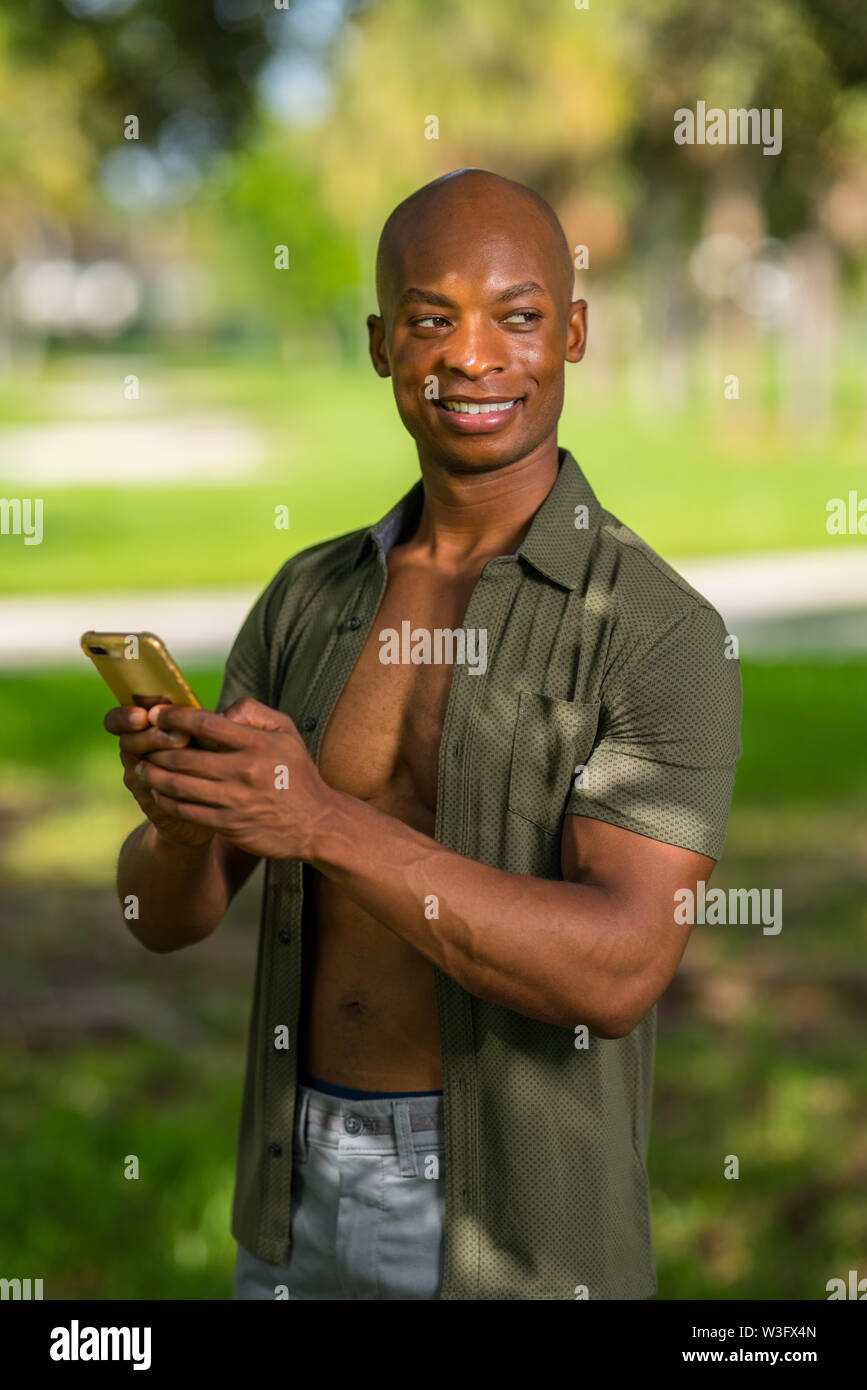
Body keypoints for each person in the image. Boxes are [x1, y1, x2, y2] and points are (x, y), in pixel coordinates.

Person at [106, 168, 742, 1301]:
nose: (473, 356)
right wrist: (178, 821)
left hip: (509, 1227)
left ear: (576, 333)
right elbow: (161, 918)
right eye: (430, 319)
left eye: (519, 315)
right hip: (291, 1194)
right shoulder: (309, 597)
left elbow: (622, 966)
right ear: (378, 343)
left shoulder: (658, 632)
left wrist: (320, 821)